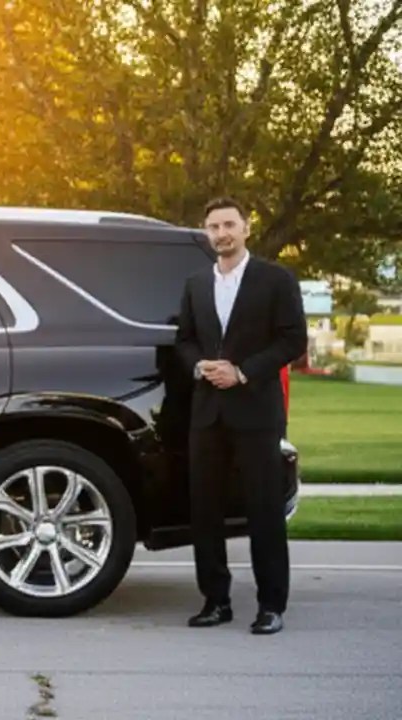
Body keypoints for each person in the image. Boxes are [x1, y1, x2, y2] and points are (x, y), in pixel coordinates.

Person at [174, 196, 308, 635]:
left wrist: (243, 372)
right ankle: (215, 601)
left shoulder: (275, 279)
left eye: (229, 224)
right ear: (206, 231)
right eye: (214, 227)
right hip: (207, 414)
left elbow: (292, 341)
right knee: (205, 511)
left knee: (264, 510)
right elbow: (186, 340)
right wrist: (200, 366)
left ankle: (271, 605)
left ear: (247, 228)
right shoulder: (195, 283)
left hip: (256, 412)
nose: (221, 234)